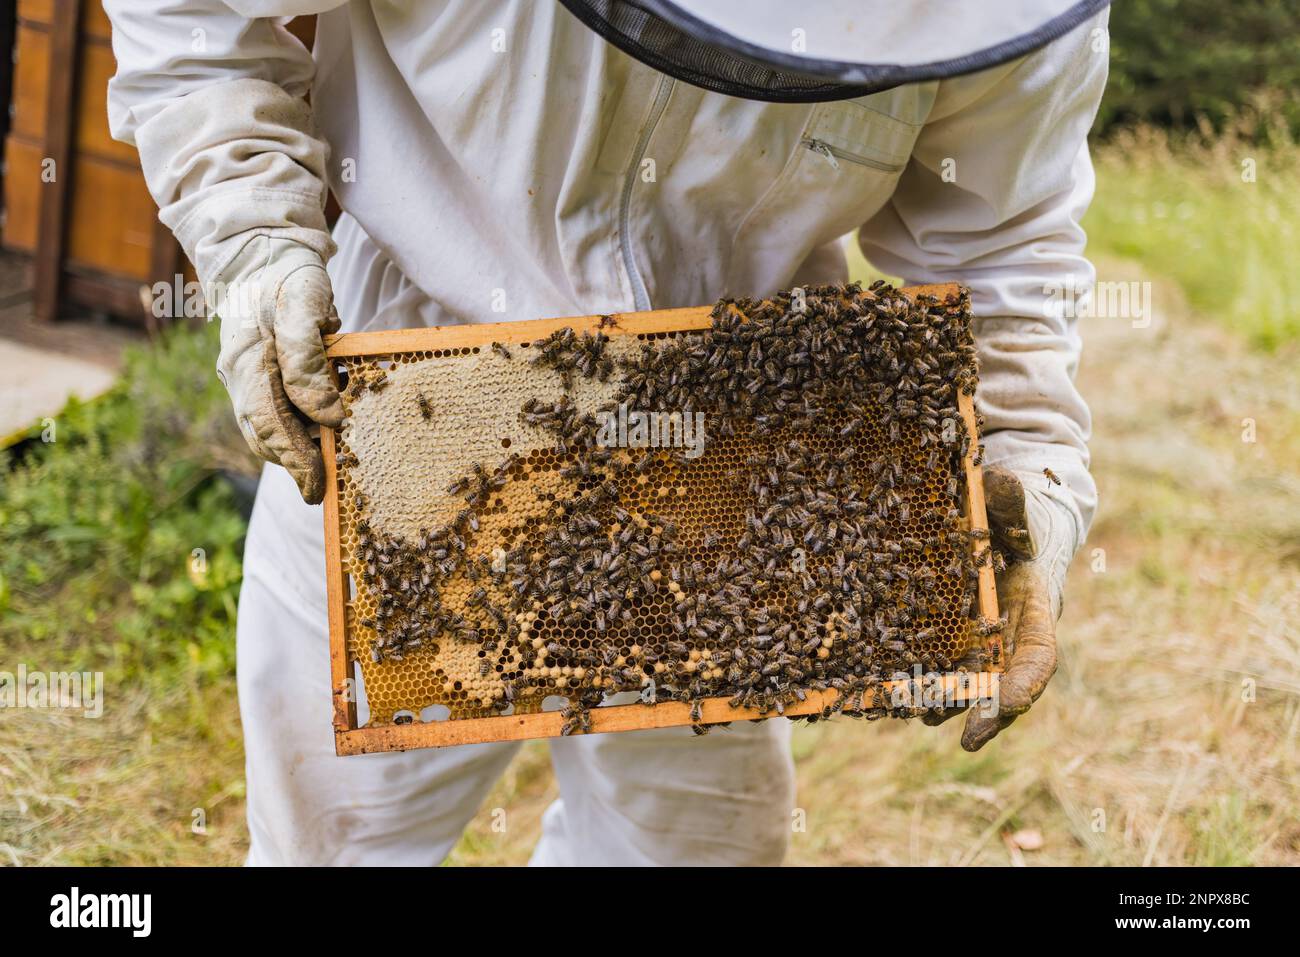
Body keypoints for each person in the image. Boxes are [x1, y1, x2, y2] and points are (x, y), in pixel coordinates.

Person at [105, 0, 1109, 866]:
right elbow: (205, 20)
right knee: (335, 841)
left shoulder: (1005, 18)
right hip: (409, 407)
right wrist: (252, 232)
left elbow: (1003, 231)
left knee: (691, 847)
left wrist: (1024, 457)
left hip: (736, 457)